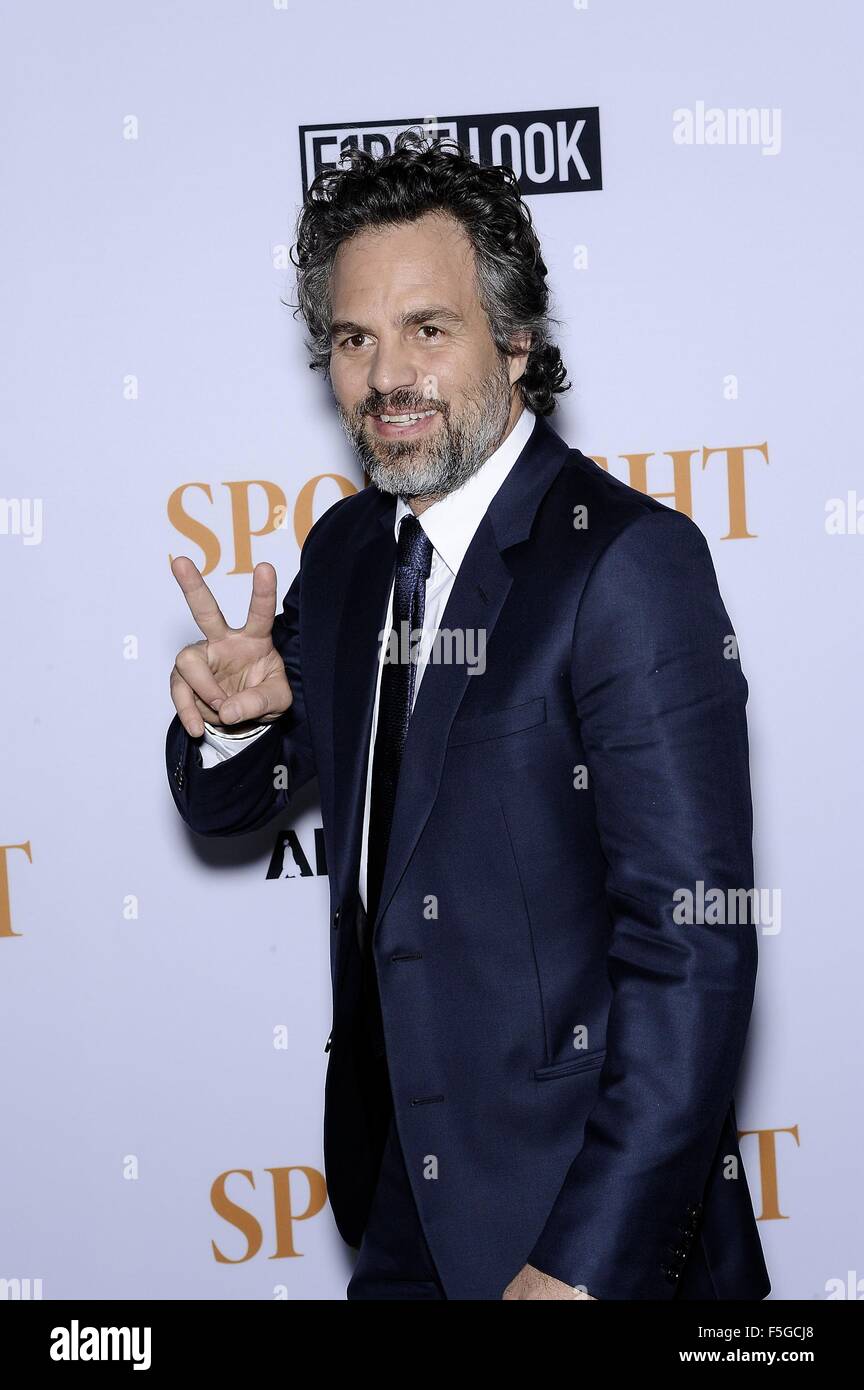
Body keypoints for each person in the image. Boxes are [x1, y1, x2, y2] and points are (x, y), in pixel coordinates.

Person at [165, 130, 771, 1301]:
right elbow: (225, 799)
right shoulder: (349, 551)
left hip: (588, 1231)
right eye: (354, 338)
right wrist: (234, 719)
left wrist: (581, 1267)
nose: (386, 375)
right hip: (402, 1213)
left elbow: (693, 949)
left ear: (517, 343)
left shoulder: (629, 566)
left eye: (427, 330)